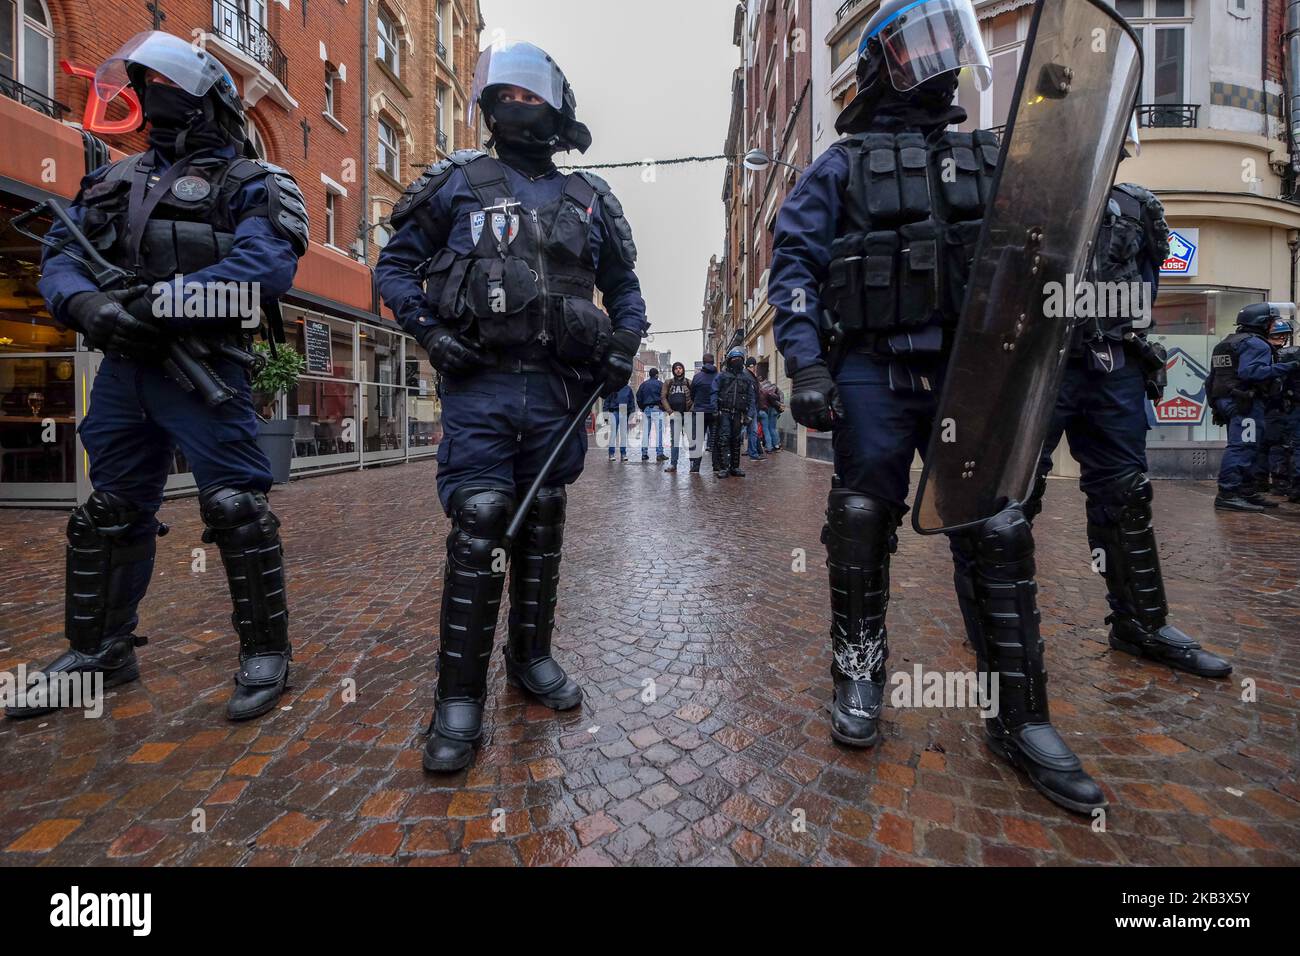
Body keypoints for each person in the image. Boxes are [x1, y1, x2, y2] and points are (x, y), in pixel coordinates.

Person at [771, 0, 1106, 814]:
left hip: (970, 374)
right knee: (858, 518)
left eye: (945, 42)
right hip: (873, 370)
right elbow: (794, 267)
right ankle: (858, 673)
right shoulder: (839, 167)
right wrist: (807, 365)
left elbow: (1043, 248)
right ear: (887, 64)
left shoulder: (993, 156)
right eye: (922, 45)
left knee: (995, 526)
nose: (942, 58)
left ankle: (1019, 713)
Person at [6, 32, 309, 723]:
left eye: (165, 89)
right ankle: (99, 652)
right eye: (145, 90)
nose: (152, 101)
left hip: (206, 370)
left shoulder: (256, 184)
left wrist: (158, 305)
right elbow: (61, 257)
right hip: (124, 371)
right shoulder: (113, 180)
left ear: (206, 101)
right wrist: (89, 307)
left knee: (236, 509)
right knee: (107, 513)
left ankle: (266, 651)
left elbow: (260, 278)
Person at [374, 40, 647, 773]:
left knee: (544, 517)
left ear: (557, 109)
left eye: (532, 97)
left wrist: (623, 345)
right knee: (482, 518)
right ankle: (458, 696)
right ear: (488, 106)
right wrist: (429, 331)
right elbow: (394, 267)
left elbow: (624, 289)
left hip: (559, 388)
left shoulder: (591, 199)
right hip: (483, 383)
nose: (518, 107)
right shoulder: (456, 184)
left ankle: (531, 658)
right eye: (507, 96)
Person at [1026, 177, 1231, 679]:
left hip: (1111, 360)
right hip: (1033, 360)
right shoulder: (1018, 186)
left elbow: (1144, 285)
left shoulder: (1136, 205)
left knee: (1126, 494)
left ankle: (1140, 624)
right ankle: (999, 627)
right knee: (1011, 497)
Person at [1209, 303, 1299, 512]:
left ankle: (1245, 491)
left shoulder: (1227, 343)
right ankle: (1228, 493)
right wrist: (1290, 365)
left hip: (1229, 400)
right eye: (1271, 322)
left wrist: (1216, 405)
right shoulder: (1255, 344)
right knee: (1242, 447)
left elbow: (1212, 379)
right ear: (1261, 323)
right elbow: (1252, 373)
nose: (1273, 326)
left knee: (1248, 446)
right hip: (1245, 402)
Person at [1247, 316, 1296, 501]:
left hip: (1278, 406)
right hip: (1266, 405)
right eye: (1277, 336)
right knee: (1270, 444)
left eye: (1284, 336)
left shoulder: (1275, 354)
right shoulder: (1263, 353)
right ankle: (1270, 482)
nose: (1281, 340)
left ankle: (1267, 482)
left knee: (1270, 444)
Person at [712, 346, 756, 478]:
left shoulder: (746, 378)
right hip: (724, 412)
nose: (736, 361)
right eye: (734, 359)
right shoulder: (722, 376)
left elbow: (751, 397)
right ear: (730, 360)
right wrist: (715, 409)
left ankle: (735, 467)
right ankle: (725, 467)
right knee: (724, 439)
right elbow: (714, 393)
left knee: (736, 440)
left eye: (739, 359)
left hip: (738, 414)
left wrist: (749, 415)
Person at [689, 354, 720, 475]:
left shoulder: (697, 377)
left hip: (699, 411)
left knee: (698, 440)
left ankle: (695, 467)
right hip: (714, 411)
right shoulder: (718, 376)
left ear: (703, 362)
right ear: (713, 362)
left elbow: (692, 394)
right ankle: (716, 466)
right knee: (715, 439)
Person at [662, 361, 693, 473]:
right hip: (675, 416)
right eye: (676, 368)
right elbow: (663, 398)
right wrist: (670, 412)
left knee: (690, 440)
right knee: (674, 441)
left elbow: (695, 397)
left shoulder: (689, 382)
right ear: (673, 370)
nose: (678, 370)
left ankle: (692, 464)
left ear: (683, 369)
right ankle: (673, 464)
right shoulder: (668, 383)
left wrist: (691, 410)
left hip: (687, 415)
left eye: (680, 368)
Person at [637, 367, 666, 461]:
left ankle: (644, 454)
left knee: (646, 433)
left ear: (649, 374)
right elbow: (665, 396)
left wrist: (642, 407)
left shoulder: (643, 385)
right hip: (657, 409)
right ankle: (659, 454)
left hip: (646, 409)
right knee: (659, 433)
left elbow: (638, 397)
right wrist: (663, 407)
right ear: (657, 375)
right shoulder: (660, 384)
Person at [757, 361, 785, 452]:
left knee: (771, 428)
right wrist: (781, 404)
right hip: (775, 409)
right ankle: (774, 445)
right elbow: (781, 394)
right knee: (771, 428)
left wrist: (779, 404)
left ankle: (776, 445)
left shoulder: (762, 387)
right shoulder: (773, 385)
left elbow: (767, 400)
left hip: (770, 409)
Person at [603, 382, 634, 462]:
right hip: (614, 411)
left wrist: (631, 413)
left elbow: (631, 401)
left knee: (623, 434)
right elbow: (607, 401)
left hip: (624, 410)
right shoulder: (613, 387)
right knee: (613, 434)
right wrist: (606, 416)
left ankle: (623, 454)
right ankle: (611, 453)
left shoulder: (628, 389)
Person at [745, 356, 767, 461]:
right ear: (752, 366)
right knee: (753, 431)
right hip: (751, 407)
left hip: (752, 407)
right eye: (755, 365)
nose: (756, 368)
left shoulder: (749, 375)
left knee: (752, 431)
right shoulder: (748, 376)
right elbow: (752, 394)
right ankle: (753, 453)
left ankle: (755, 451)